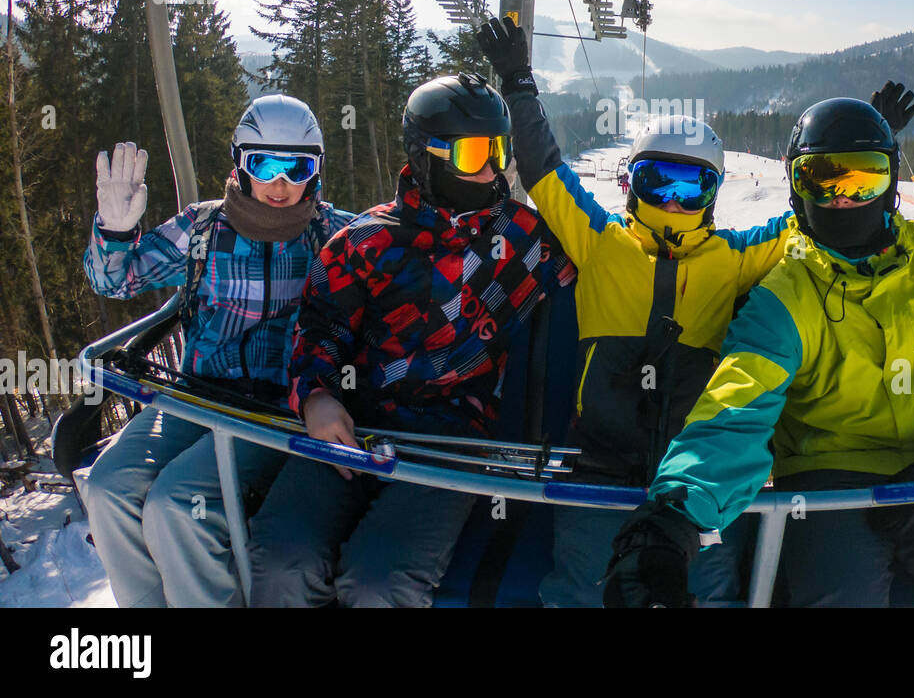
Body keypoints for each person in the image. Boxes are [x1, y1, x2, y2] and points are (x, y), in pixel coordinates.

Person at [476, 17, 914, 607]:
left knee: (705, 593)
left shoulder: (733, 259)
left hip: (696, 480)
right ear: (630, 184)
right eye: (660, 184)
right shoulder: (600, 241)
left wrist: (863, 139)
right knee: (583, 590)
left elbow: (825, 209)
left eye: (693, 189)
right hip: (601, 465)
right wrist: (519, 84)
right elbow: (543, 171)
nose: (675, 203)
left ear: (713, 195)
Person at [603, 97, 914, 608]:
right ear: (796, 188)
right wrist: (674, 517)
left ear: (892, 183)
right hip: (831, 478)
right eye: (822, 181)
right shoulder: (787, 295)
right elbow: (736, 408)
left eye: (864, 181)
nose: (841, 200)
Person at [248, 73, 574, 608]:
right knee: (284, 556)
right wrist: (318, 396)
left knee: (379, 581)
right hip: (354, 425)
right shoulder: (365, 242)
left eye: (499, 150)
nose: (493, 169)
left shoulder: (521, 237)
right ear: (427, 156)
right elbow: (320, 326)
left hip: (453, 438)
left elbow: (603, 251)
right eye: (474, 155)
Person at [82, 95, 353, 608]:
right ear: (240, 165)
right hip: (197, 396)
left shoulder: (333, 235)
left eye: (297, 167)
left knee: (177, 507)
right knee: (108, 489)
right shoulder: (205, 228)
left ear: (316, 171)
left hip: (274, 408)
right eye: (264, 165)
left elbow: (397, 253)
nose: (280, 184)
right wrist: (115, 233)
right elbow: (116, 280)